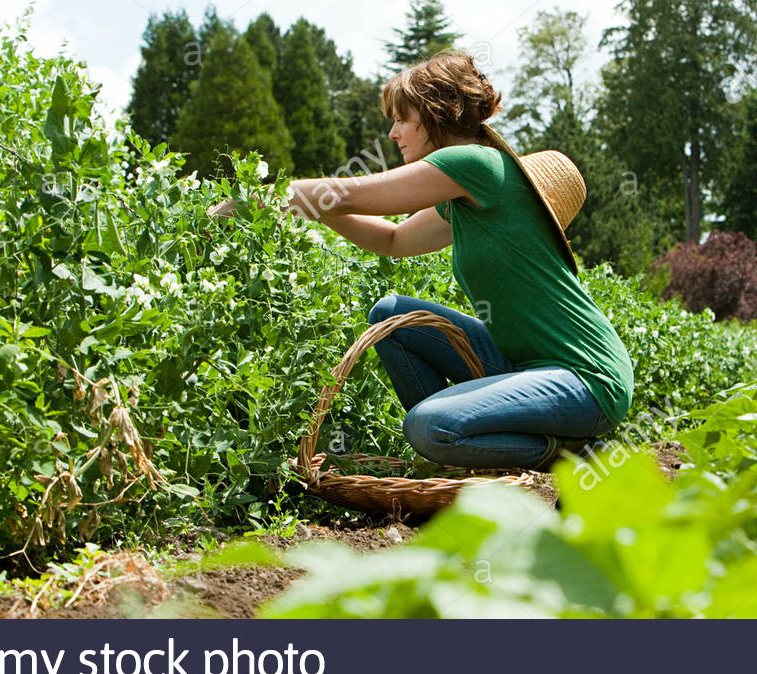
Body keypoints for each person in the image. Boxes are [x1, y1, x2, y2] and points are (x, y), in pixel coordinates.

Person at [214, 49, 634, 471]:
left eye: (402, 118)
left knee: (428, 426)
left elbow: (350, 194)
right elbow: (393, 239)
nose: (392, 133)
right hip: (523, 368)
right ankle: (458, 456)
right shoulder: (464, 199)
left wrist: (249, 202)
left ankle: (568, 458)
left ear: (436, 113)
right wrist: (318, 210)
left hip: (585, 378)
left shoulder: (474, 162)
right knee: (391, 316)